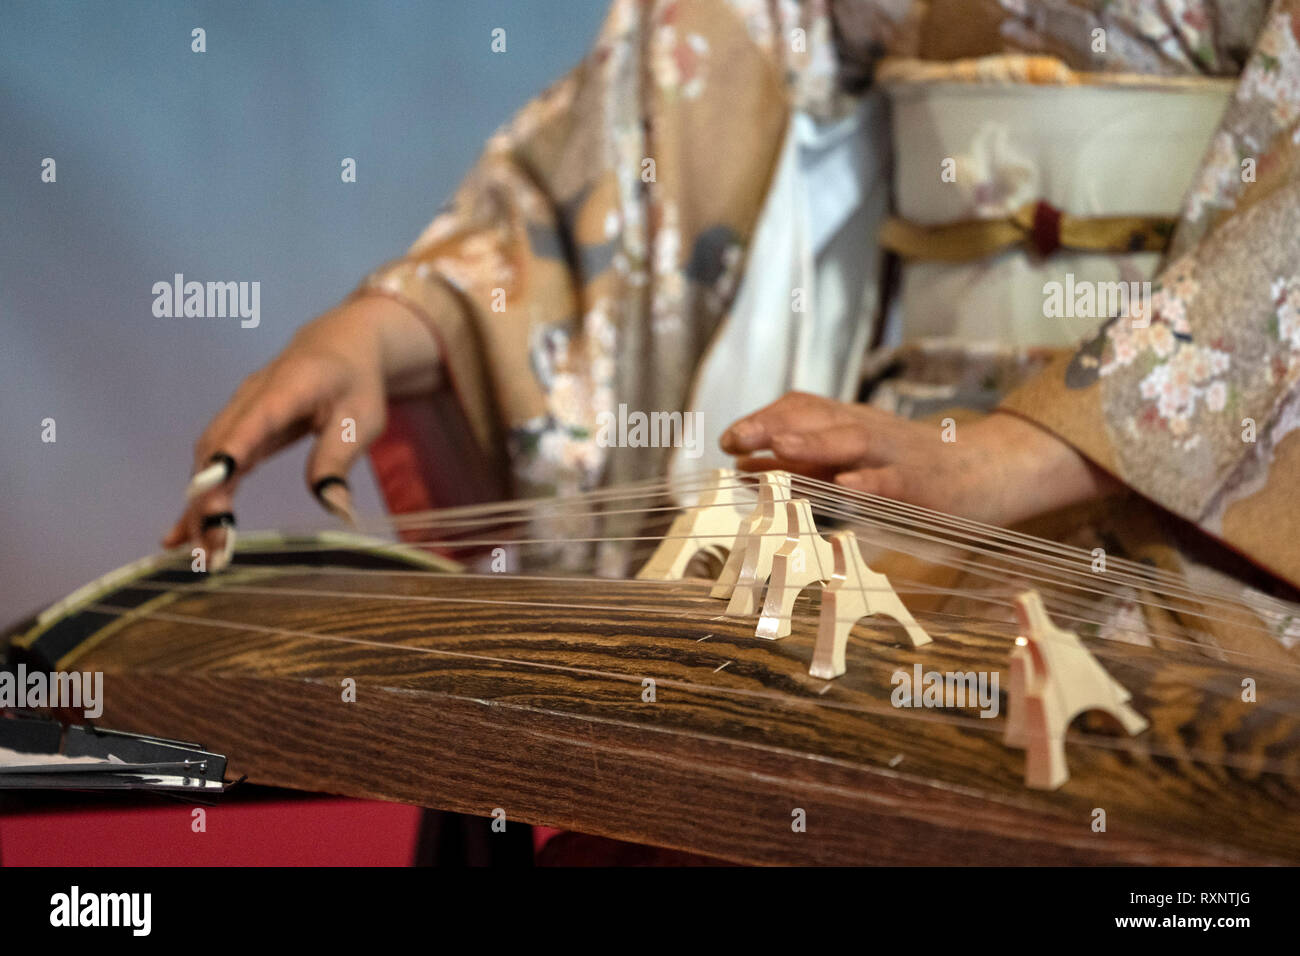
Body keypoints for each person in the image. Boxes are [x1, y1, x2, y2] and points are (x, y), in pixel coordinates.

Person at [167, 0, 1300, 618]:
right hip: (891, 464)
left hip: (1193, 494)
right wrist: (414, 320)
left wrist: (1017, 453)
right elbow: (682, 94)